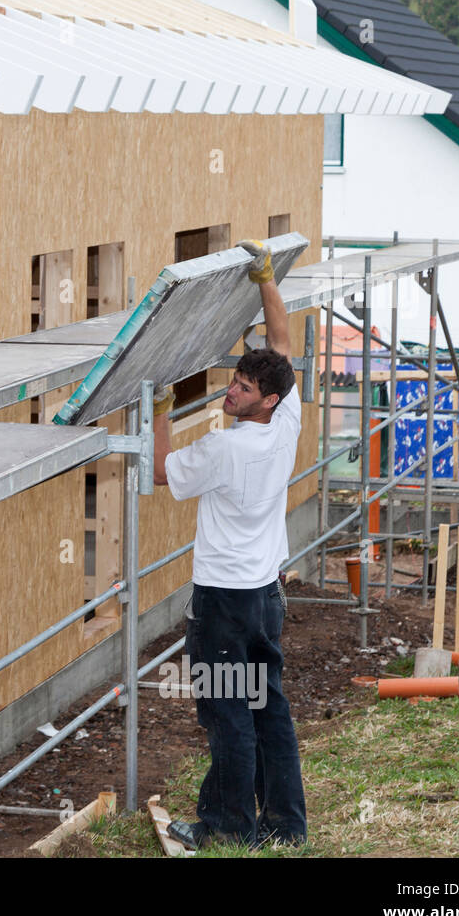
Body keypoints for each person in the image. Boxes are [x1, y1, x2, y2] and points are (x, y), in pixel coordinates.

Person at [152, 239, 307, 851]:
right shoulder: (286, 418)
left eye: (242, 389)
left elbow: (164, 472)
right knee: (269, 708)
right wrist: (266, 279)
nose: (230, 393)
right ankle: (286, 826)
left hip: (222, 602)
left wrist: (161, 408)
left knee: (227, 714)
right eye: (234, 381)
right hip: (265, 596)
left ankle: (226, 824)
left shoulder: (223, 448)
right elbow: (284, 345)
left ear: (266, 400)